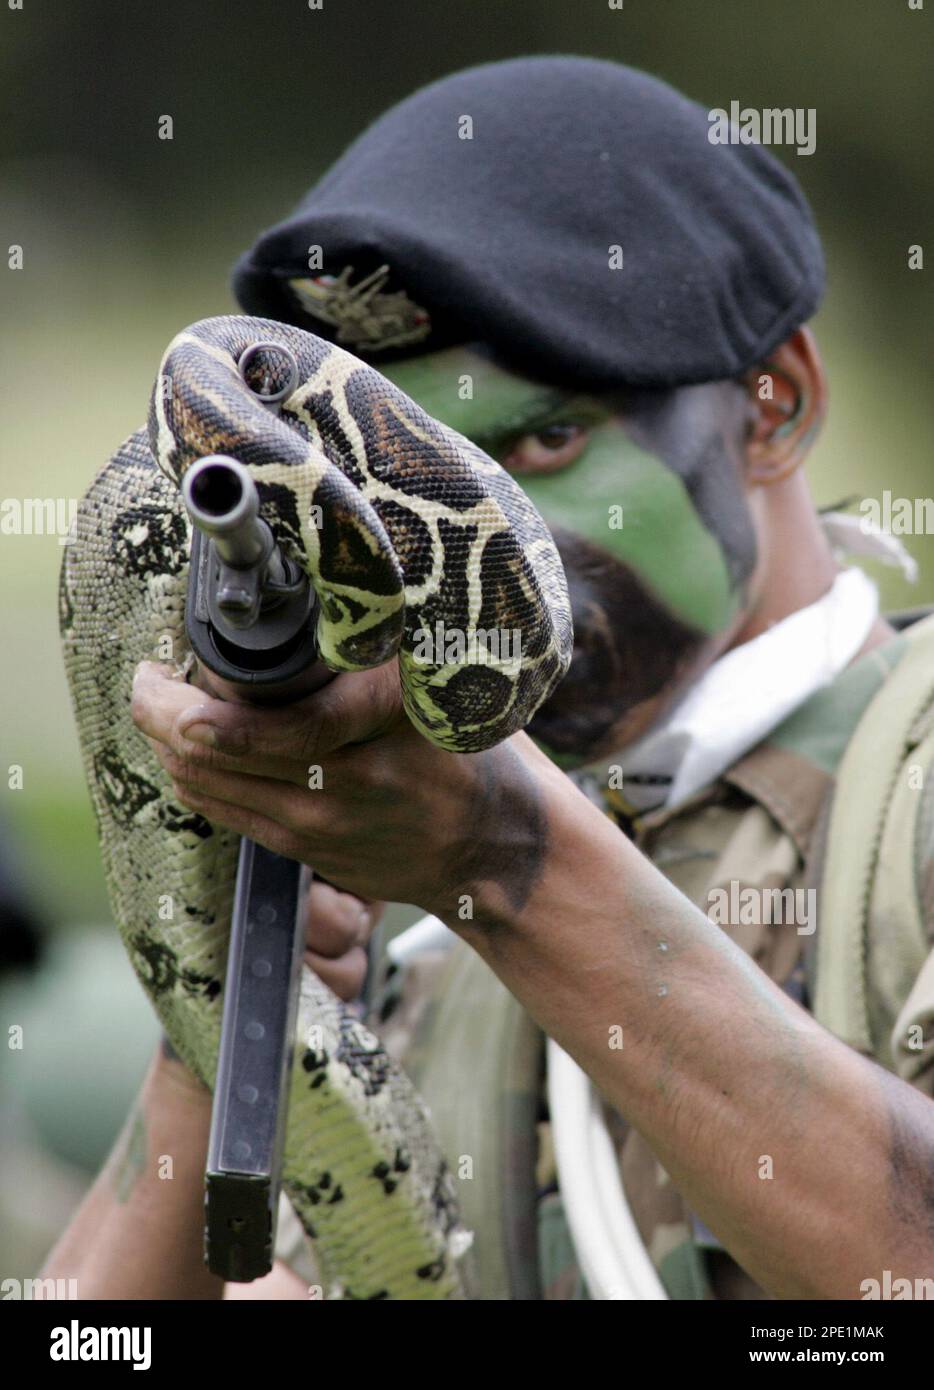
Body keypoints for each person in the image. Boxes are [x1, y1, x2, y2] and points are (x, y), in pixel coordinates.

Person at [43, 56, 934, 1300]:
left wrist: (508, 862)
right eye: (393, 481)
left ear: (773, 405)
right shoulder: (396, 902)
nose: (444, 553)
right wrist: (224, 1011)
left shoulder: (907, 801)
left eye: (544, 441)